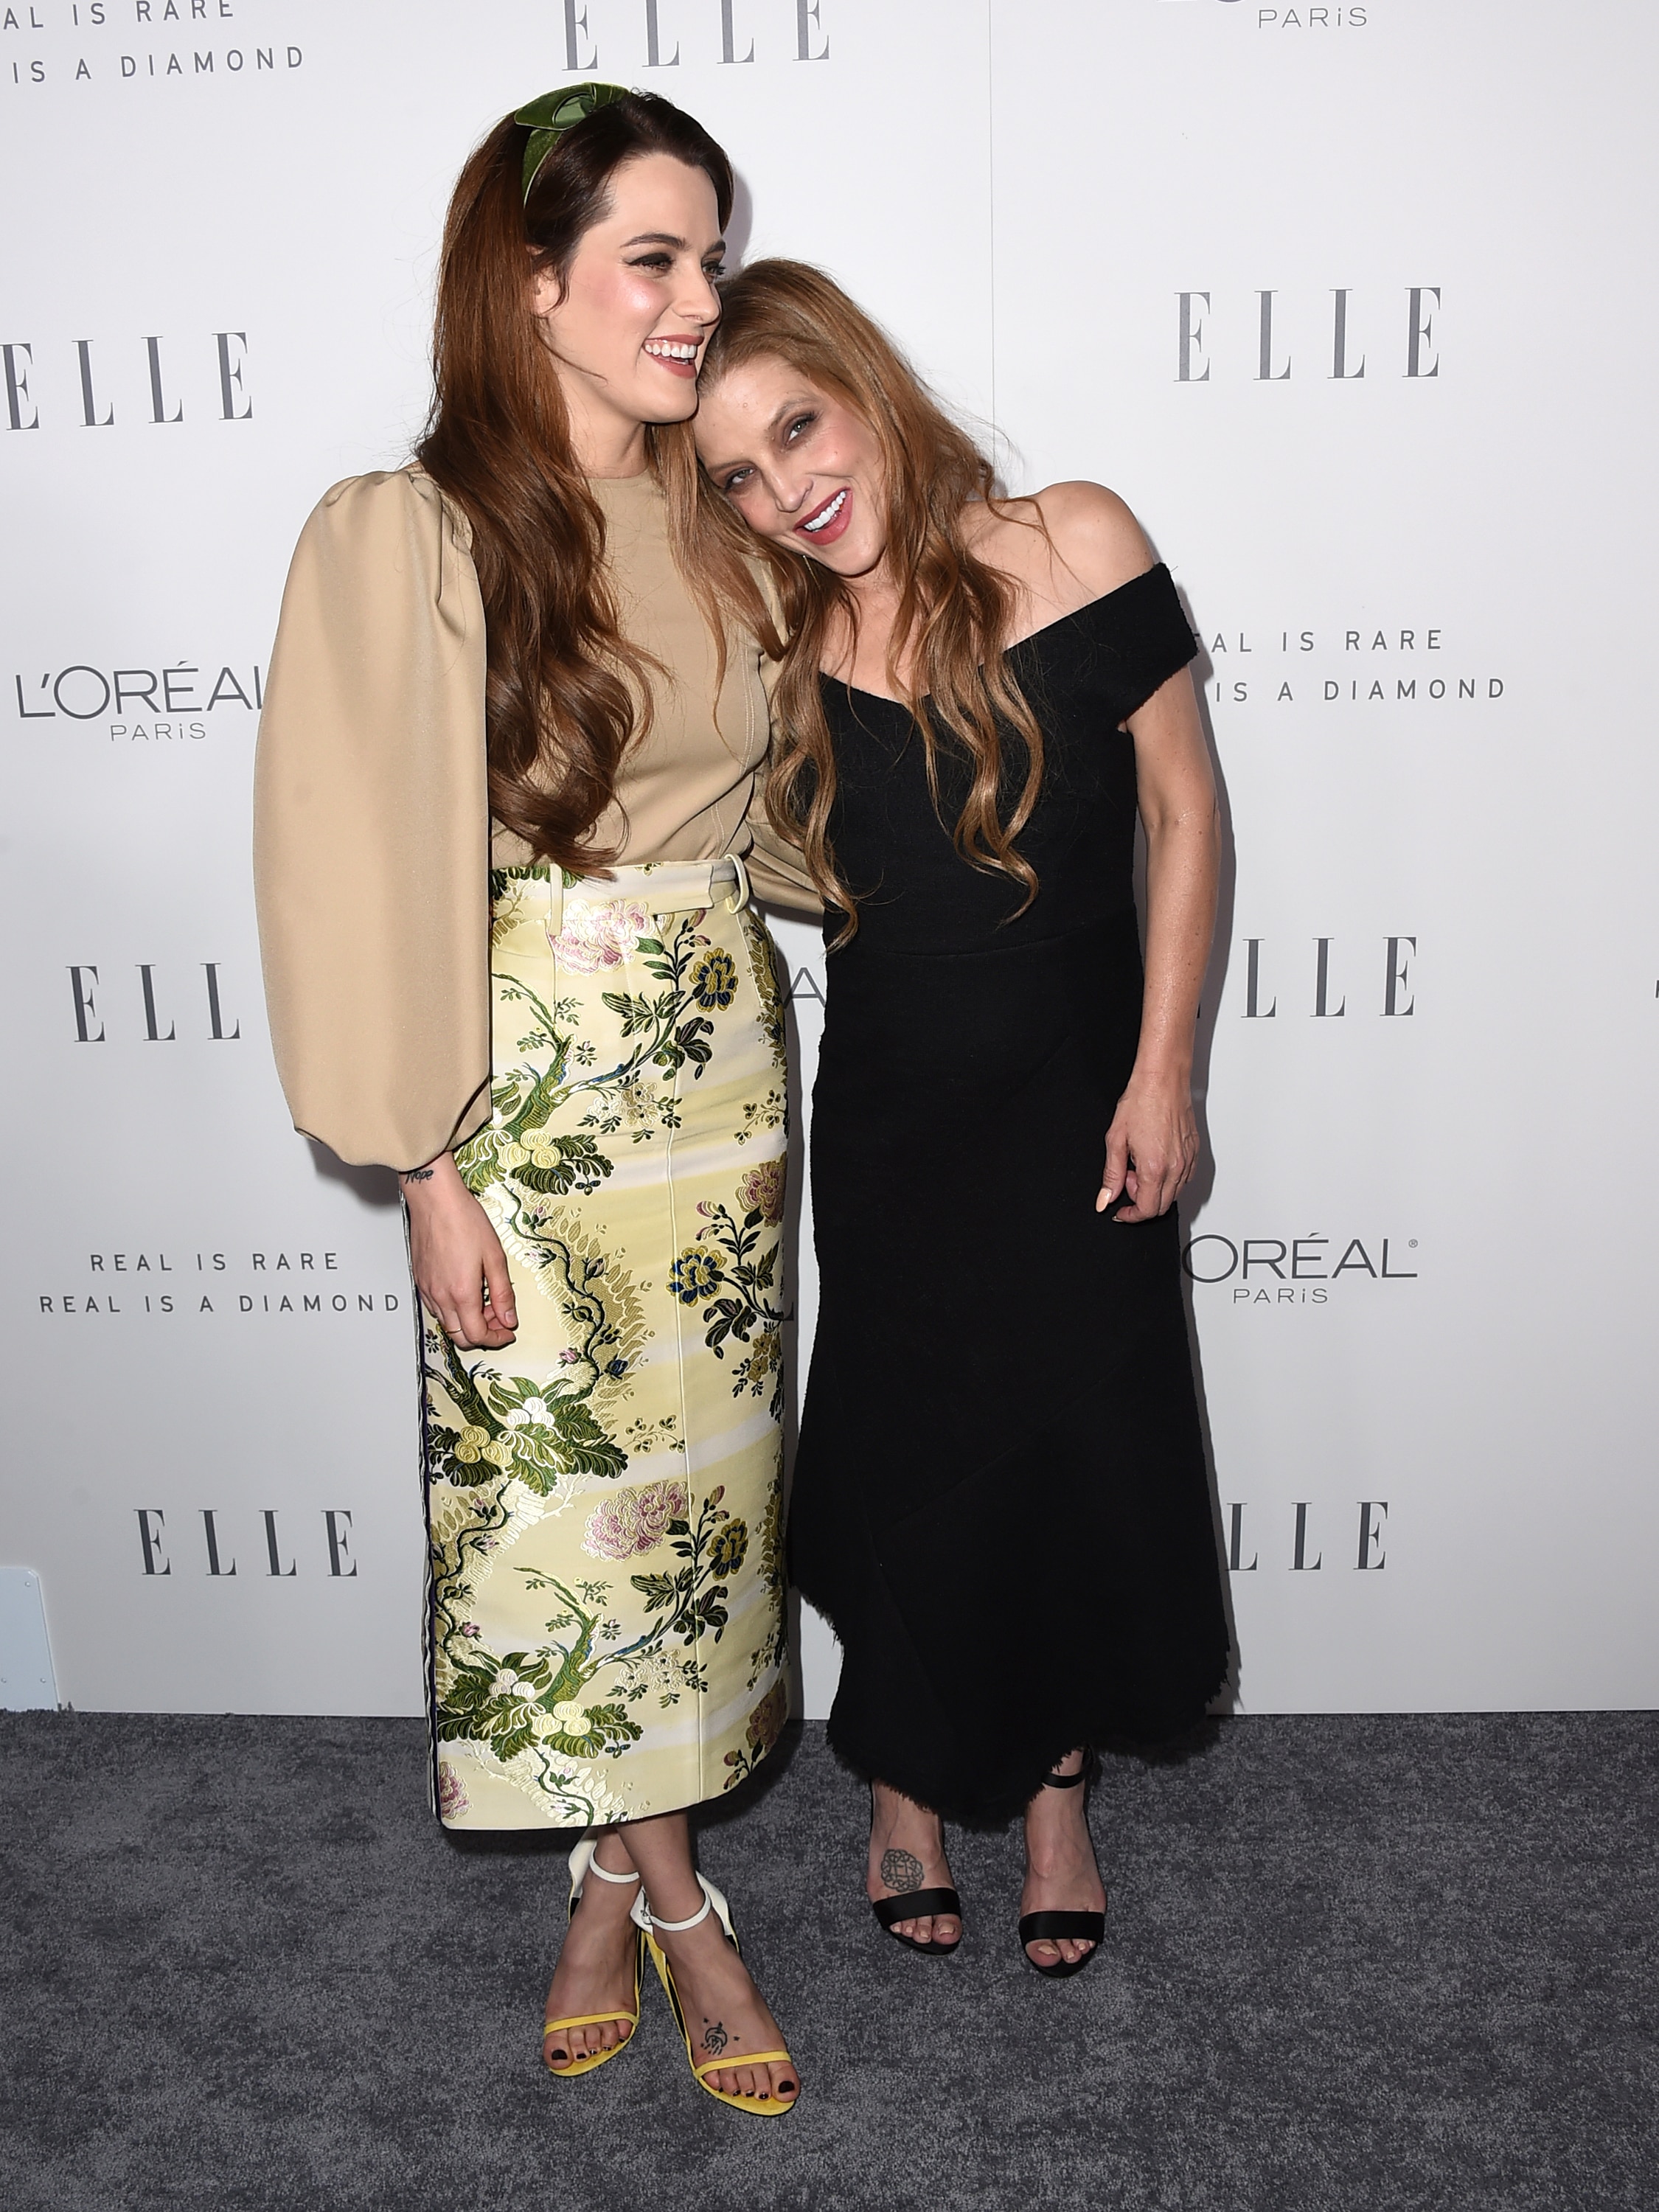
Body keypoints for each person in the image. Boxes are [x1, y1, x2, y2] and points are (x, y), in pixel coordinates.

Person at [254, 88, 815, 2112]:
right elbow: (355, 857)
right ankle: (681, 1919)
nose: (696, 300)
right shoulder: (409, 533)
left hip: (727, 1081)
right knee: (562, 1520)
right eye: (653, 259)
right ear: (530, 283)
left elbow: (783, 817)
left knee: (697, 1516)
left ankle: (603, 1872)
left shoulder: (720, 512)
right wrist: (422, 1160)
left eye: (710, 255)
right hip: (529, 1095)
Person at [689, 261, 1232, 1977]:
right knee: (915, 1435)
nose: (788, 490)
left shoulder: (1074, 536)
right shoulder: (784, 641)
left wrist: (1166, 1075)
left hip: (1082, 1096)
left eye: (798, 427)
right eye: (738, 477)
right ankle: (907, 1782)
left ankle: (1057, 1791)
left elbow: (1188, 812)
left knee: (1077, 1434)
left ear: (863, 385)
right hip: (898, 1116)